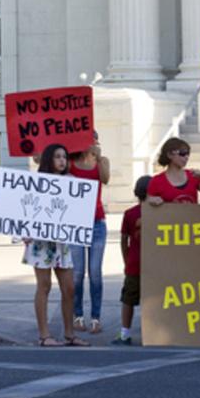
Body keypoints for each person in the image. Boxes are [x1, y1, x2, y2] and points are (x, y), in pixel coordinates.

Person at [24, 144, 88, 347]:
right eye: (57, 156)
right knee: (44, 286)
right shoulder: (36, 181)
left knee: (69, 288)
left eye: (64, 157)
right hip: (41, 242)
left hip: (63, 243)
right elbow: (25, 207)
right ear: (48, 159)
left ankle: (70, 334)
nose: (62, 160)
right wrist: (24, 230)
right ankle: (45, 336)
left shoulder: (71, 182)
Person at [69, 130, 110, 335]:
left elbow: (105, 179)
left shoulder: (102, 161)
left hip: (96, 222)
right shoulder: (70, 162)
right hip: (75, 223)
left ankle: (95, 317)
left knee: (95, 272)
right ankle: (77, 315)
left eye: (94, 141)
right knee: (77, 273)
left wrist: (99, 158)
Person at [112, 175, 152, 346]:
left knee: (128, 299)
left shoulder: (129, 213)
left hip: (134, 264)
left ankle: (125, 333)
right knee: (154, 300)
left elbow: (124, 240)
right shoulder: (162, 212)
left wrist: (126, 261)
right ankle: (153, 334)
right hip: (157, 265)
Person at [148, 137, 200, 205]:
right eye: (182, 153)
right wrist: (151, 201)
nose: (186, 157)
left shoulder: (193, 176)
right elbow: (148, 204)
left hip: (192, 218)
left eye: (188, 153)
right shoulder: (157, 181)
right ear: (169, 155)